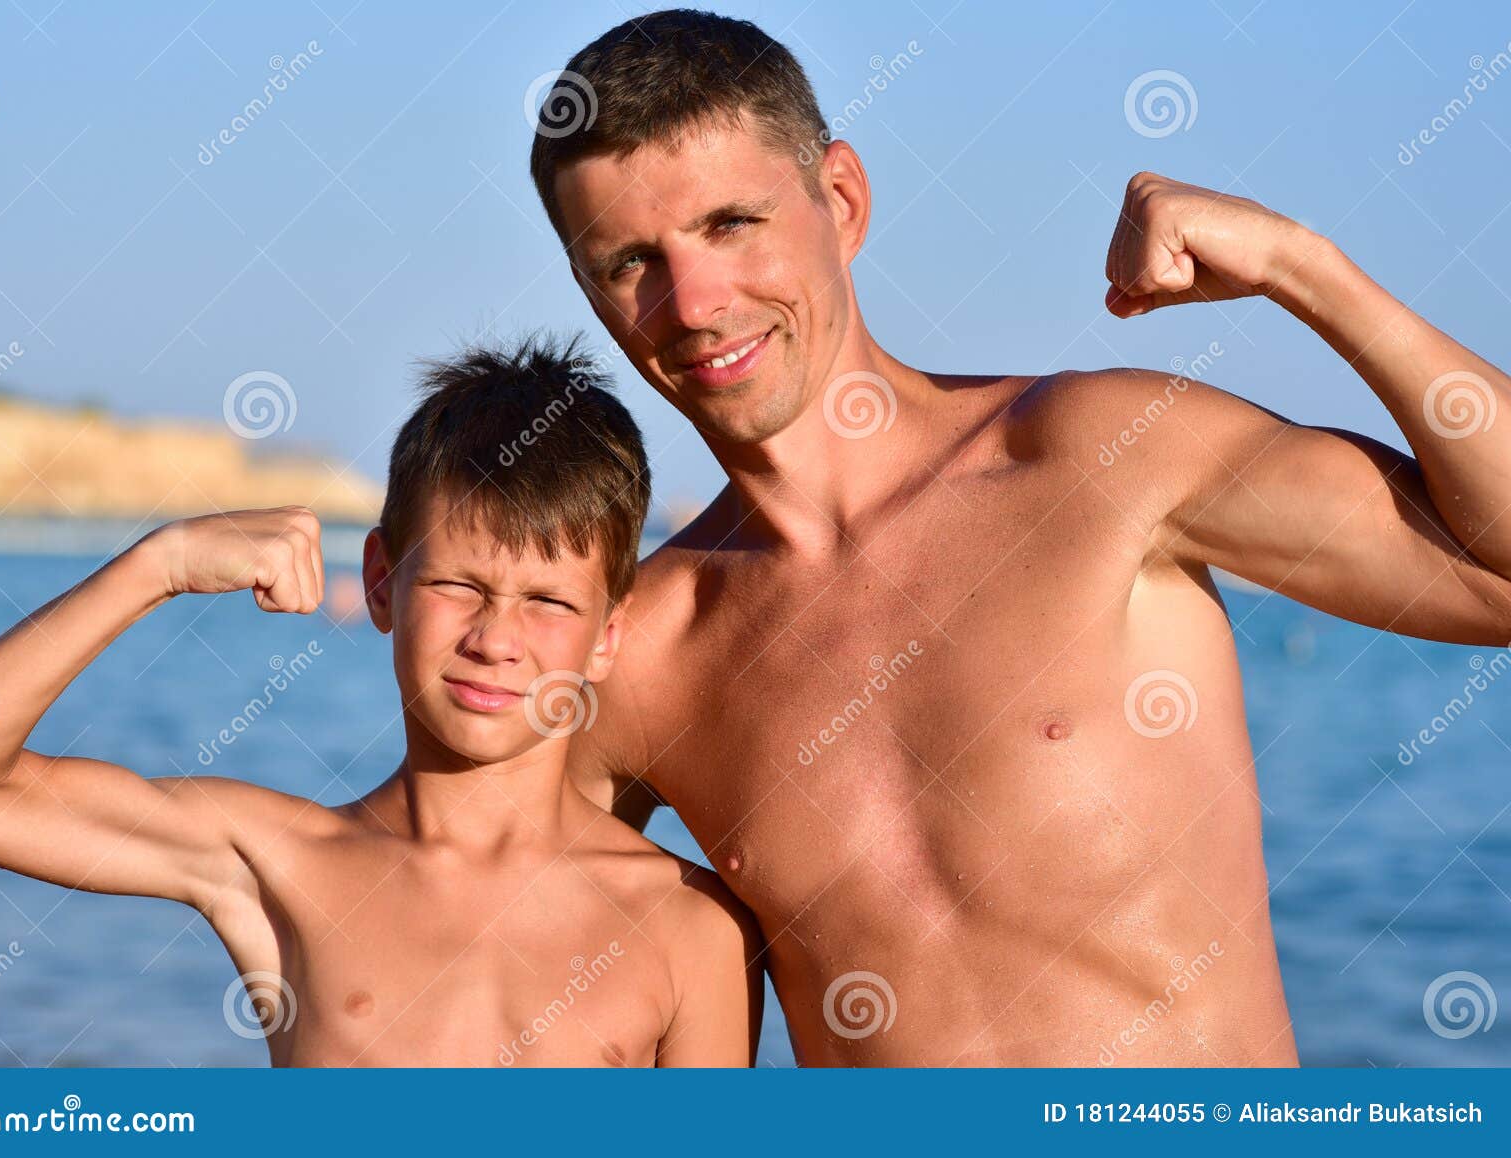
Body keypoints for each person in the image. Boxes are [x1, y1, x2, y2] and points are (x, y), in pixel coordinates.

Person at [532, 9, 1511, 1065]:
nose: (694, 301)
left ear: (842, 199)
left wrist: (1301, 267)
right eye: (630, 261)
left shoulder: (1099, 458)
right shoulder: (643, 654)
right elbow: (458, 947)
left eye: (732, 223)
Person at [0, 336, 761, 1067]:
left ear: (607, 637)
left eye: (548, 602)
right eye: (459, 585)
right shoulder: (280, 863)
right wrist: (158, 565)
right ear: (383, 583)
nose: (496, 640)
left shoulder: (686, 925)